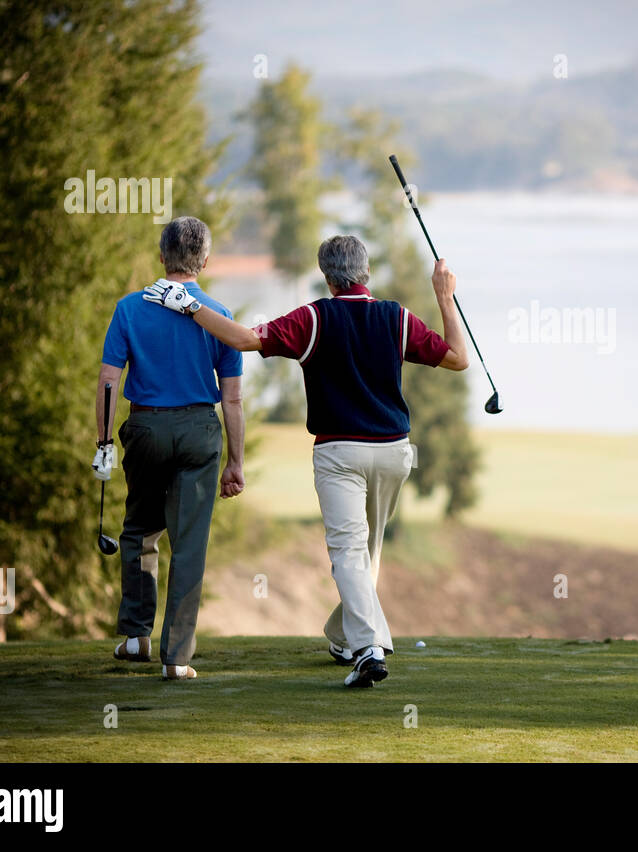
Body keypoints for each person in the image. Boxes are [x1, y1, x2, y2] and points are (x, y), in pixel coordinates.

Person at [143, 235, 468, 688]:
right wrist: (444, 297)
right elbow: (458, 359)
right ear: (366, 272)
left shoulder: (314, 317)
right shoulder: (396, 317)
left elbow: (245, 340)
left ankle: (369, 649)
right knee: (366, 553)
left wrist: (189, 306)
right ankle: (342, 635)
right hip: (394, 452)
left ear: (327, 276)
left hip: (339, 454)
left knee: (350, 553)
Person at [94, 217, 245, 680]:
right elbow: (233, 399)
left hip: (145, 427)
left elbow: (108, 381)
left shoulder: (128, 308)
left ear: (162, 256)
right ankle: (176, 657)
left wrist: (102, 441)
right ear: (203, 261)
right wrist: (236, 462)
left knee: (139, 529)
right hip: (200, 429)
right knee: (189, 544)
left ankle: (136, 635)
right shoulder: (217, 314)